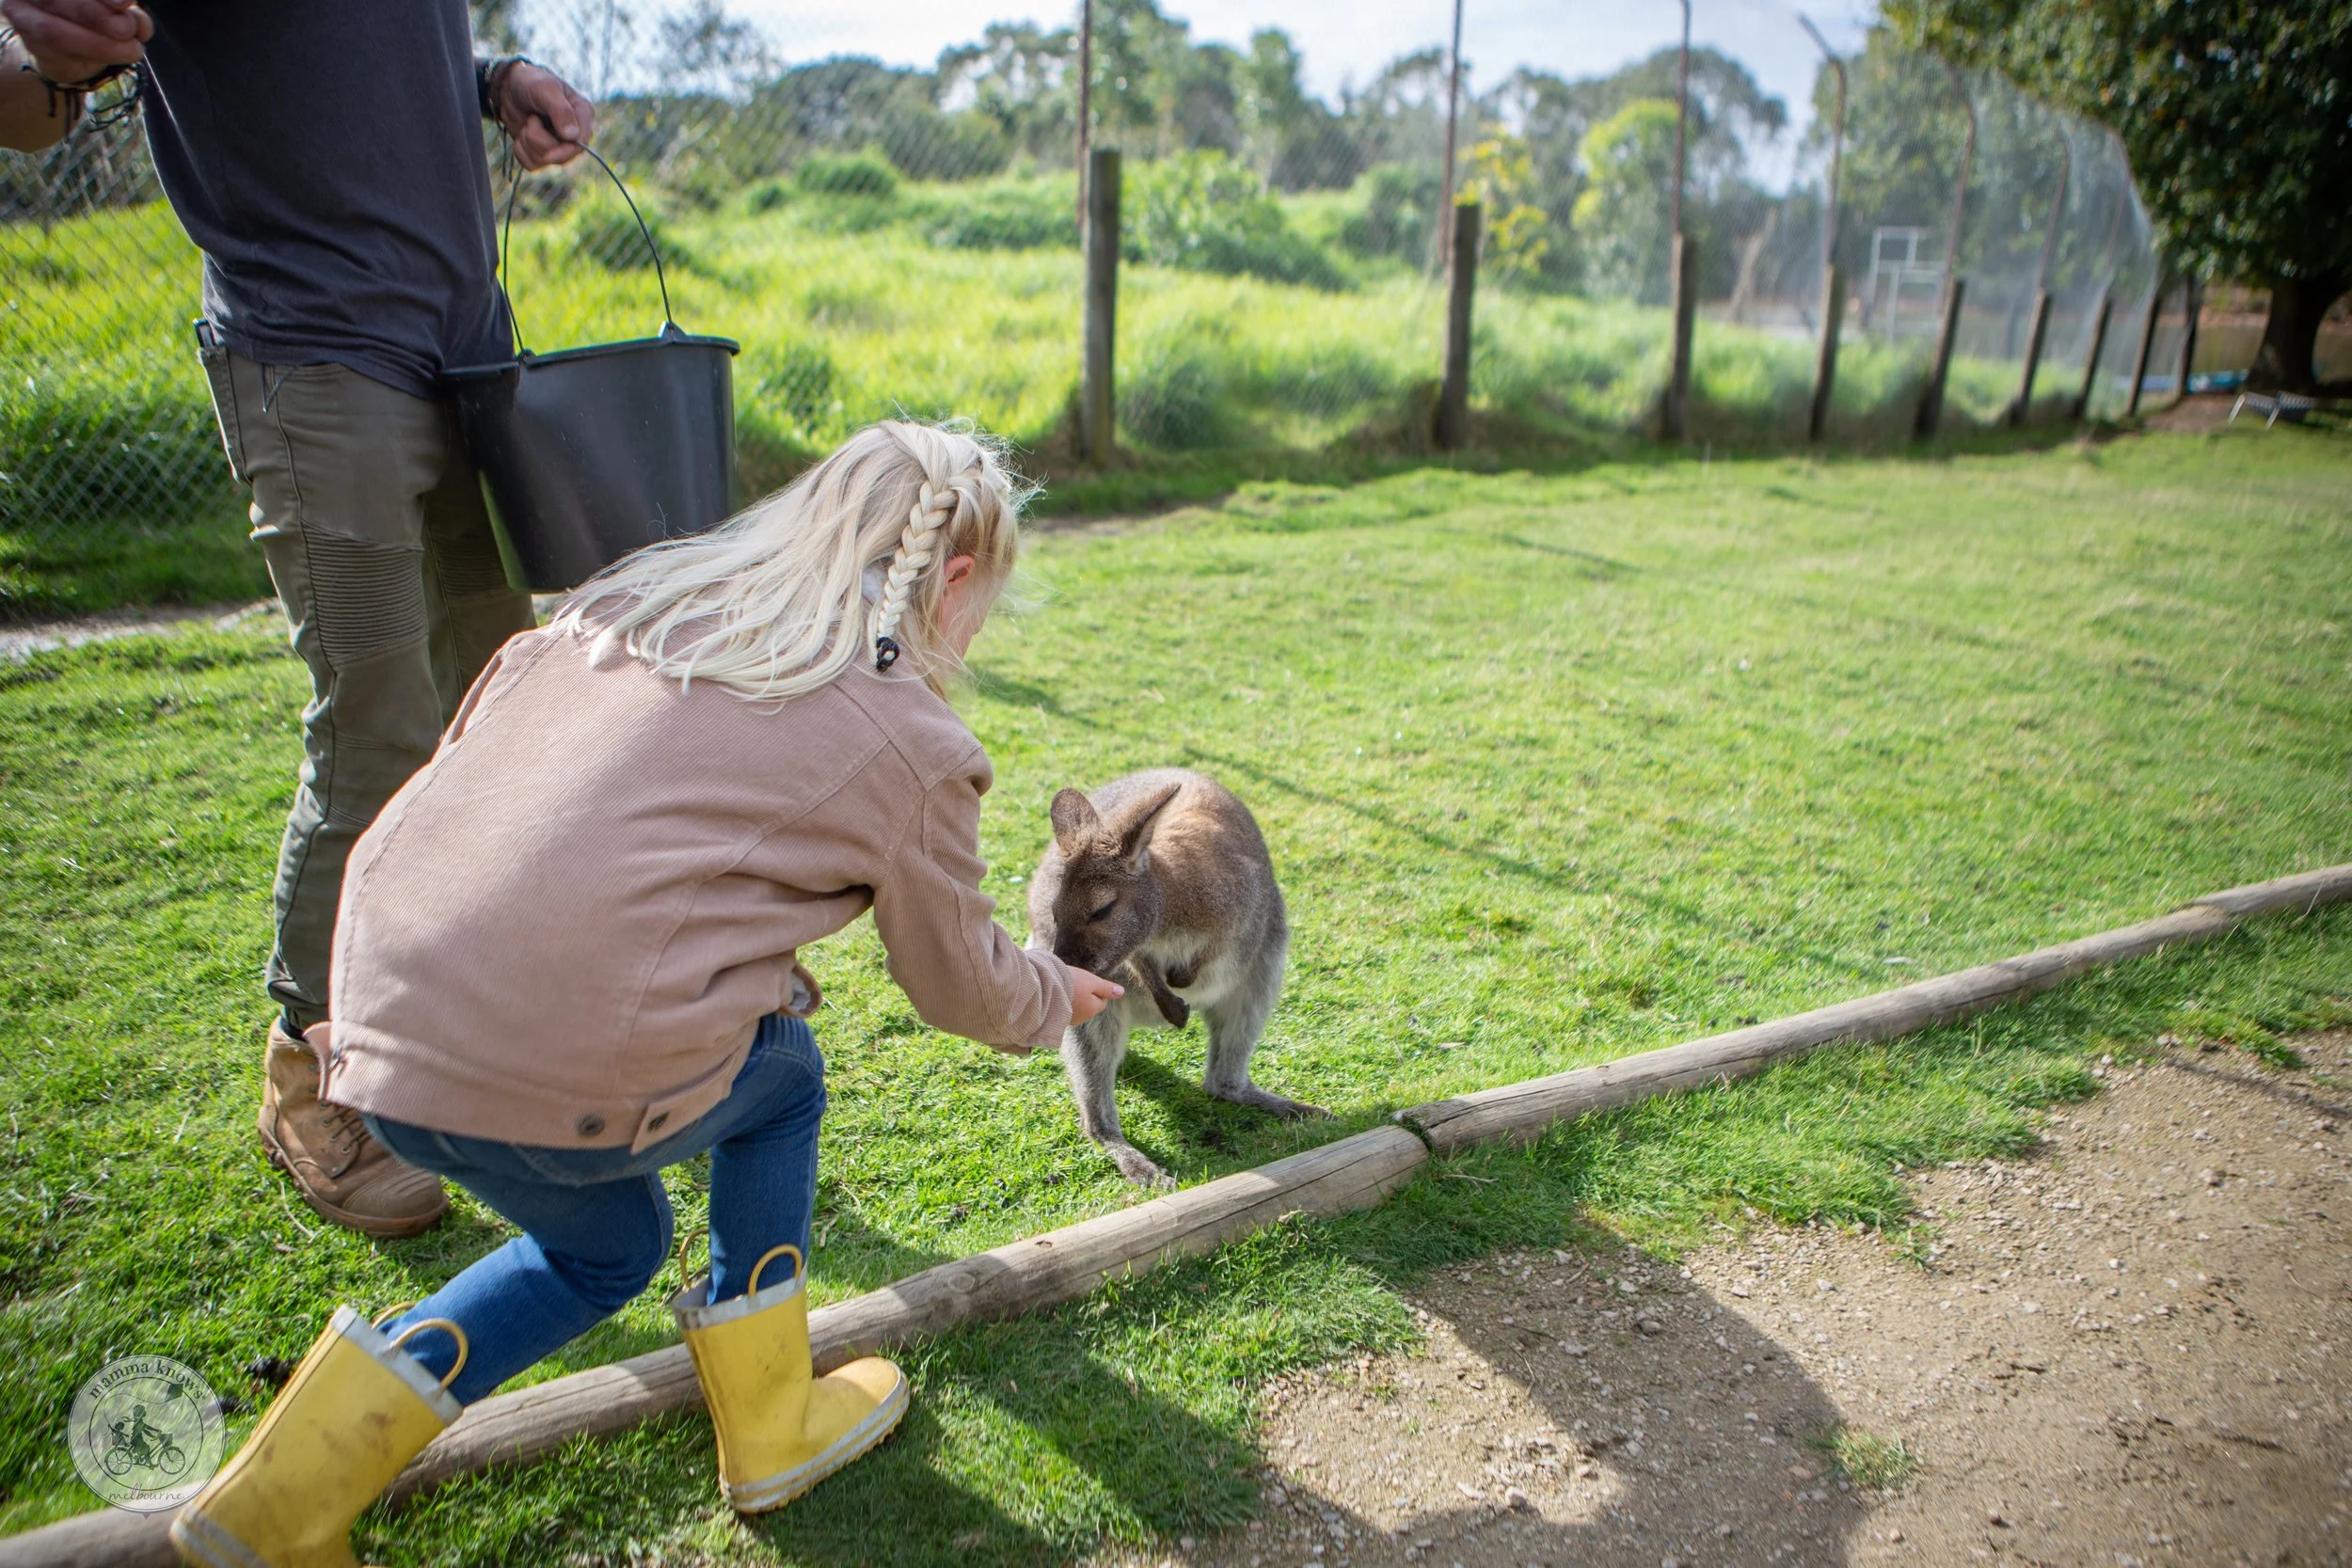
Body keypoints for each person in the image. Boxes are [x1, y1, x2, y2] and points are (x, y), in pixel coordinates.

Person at [168, 420, 1129, 1566]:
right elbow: (961, 983)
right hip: (541, 1043)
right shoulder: (908, 734)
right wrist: (1052, 994)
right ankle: (772, 1425)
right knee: (783, 1077)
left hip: (381, 1014)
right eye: (982, 606)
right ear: (953, 576)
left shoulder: (625, 598)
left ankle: (272, 1502)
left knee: (610, 1245)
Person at [1, 0, 598, 1238]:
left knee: (502, 706)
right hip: (316, 349)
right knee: (379, 717)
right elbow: (39, 85)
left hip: (463, 342)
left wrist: (493, 80)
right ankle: (309, 1075)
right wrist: (33, 58)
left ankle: (452, 1031)